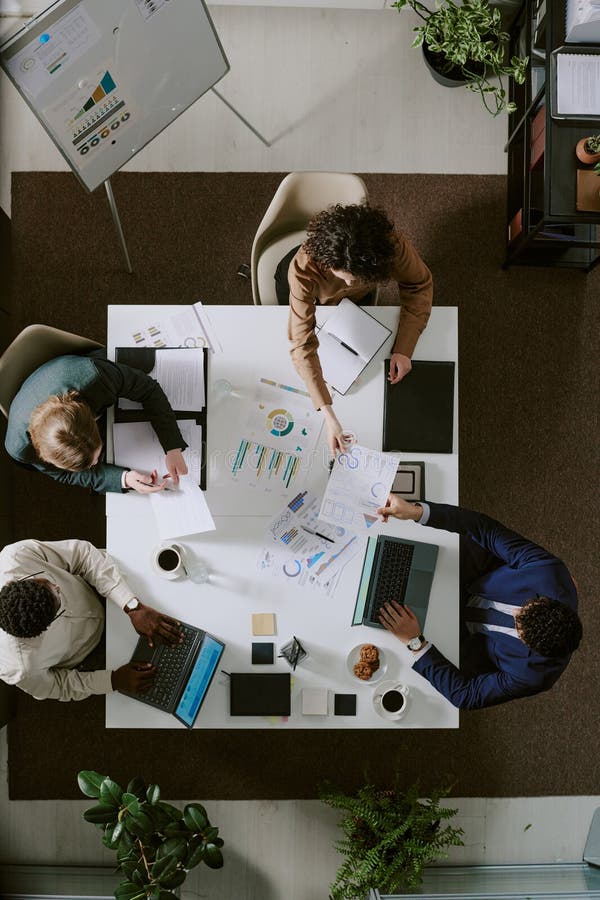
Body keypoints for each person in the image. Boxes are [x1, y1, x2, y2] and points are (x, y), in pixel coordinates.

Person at [375, 496, 582, 710]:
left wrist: (415, 642)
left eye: (518, 625)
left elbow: (466, 696)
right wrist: (416, 512)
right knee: (392, 543)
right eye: (526, 607)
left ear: (529, 645)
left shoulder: (534, 675)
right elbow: (484, 528)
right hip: (469, 573)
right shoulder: (549, 573)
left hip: (461, 639)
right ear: (547, 600)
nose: (515, 612)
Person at [280, 203, 433, 453]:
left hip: (351, 302)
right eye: (344, 276)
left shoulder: (393, 247)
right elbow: (301, 340)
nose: (350, 283)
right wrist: (328, 414)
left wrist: (405, 348)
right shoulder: (303, 267)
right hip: (303, 291)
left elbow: (419, 285)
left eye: (356, 277)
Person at [0, 538, 183, 701]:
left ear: (12, 583)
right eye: (58, 604)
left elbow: (82, 555)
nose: (57, 586)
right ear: (44, 628)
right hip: (89, 654)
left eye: (45, 581)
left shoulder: (16, 557)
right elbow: (57, 686)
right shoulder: (19, 666)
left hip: (97, 584)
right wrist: (113, 680)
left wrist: (132, 606)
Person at [5, 349, 188, 493]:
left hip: (74, 369)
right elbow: (64, 475)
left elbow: (148, 389)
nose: (95, 465)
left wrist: (171, 445)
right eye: (93, 464)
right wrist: (123, 478)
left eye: (94, 459)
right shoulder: (22, 450)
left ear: (92, 420)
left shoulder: (96, 378)